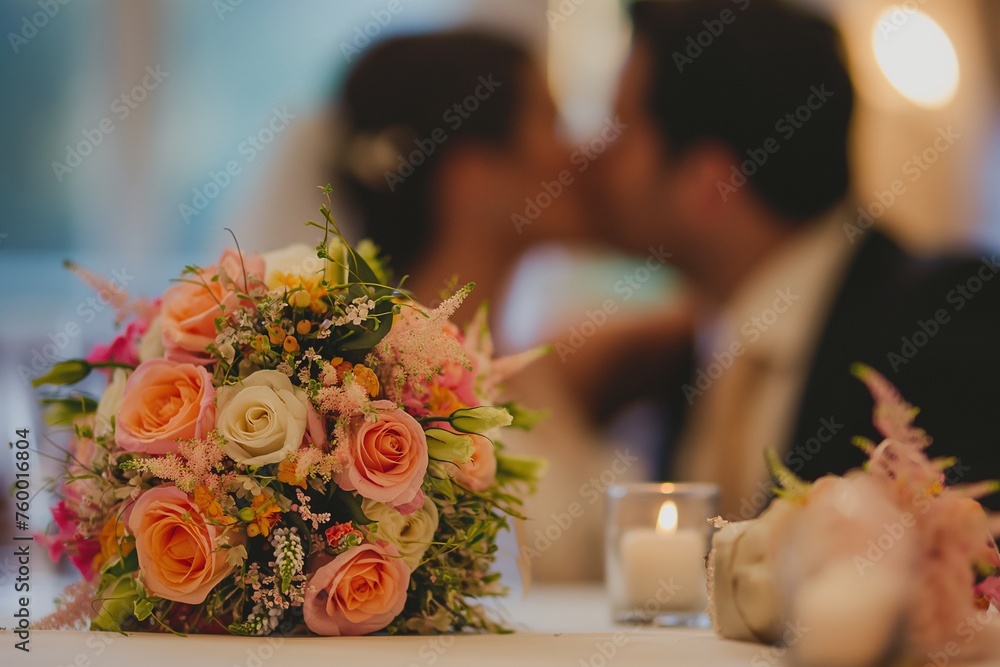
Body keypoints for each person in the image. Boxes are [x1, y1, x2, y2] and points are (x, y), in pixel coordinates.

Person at [579, 0, 1000, 516]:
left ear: (709, 184)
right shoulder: (700, 347)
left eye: (620, 130)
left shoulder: (950, 323)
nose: (592, 159)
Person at [331, 30, 637, 580]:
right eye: (550, 122)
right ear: (470, 178)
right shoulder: (388, 387)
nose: (577, 154)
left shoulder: (519, 364)